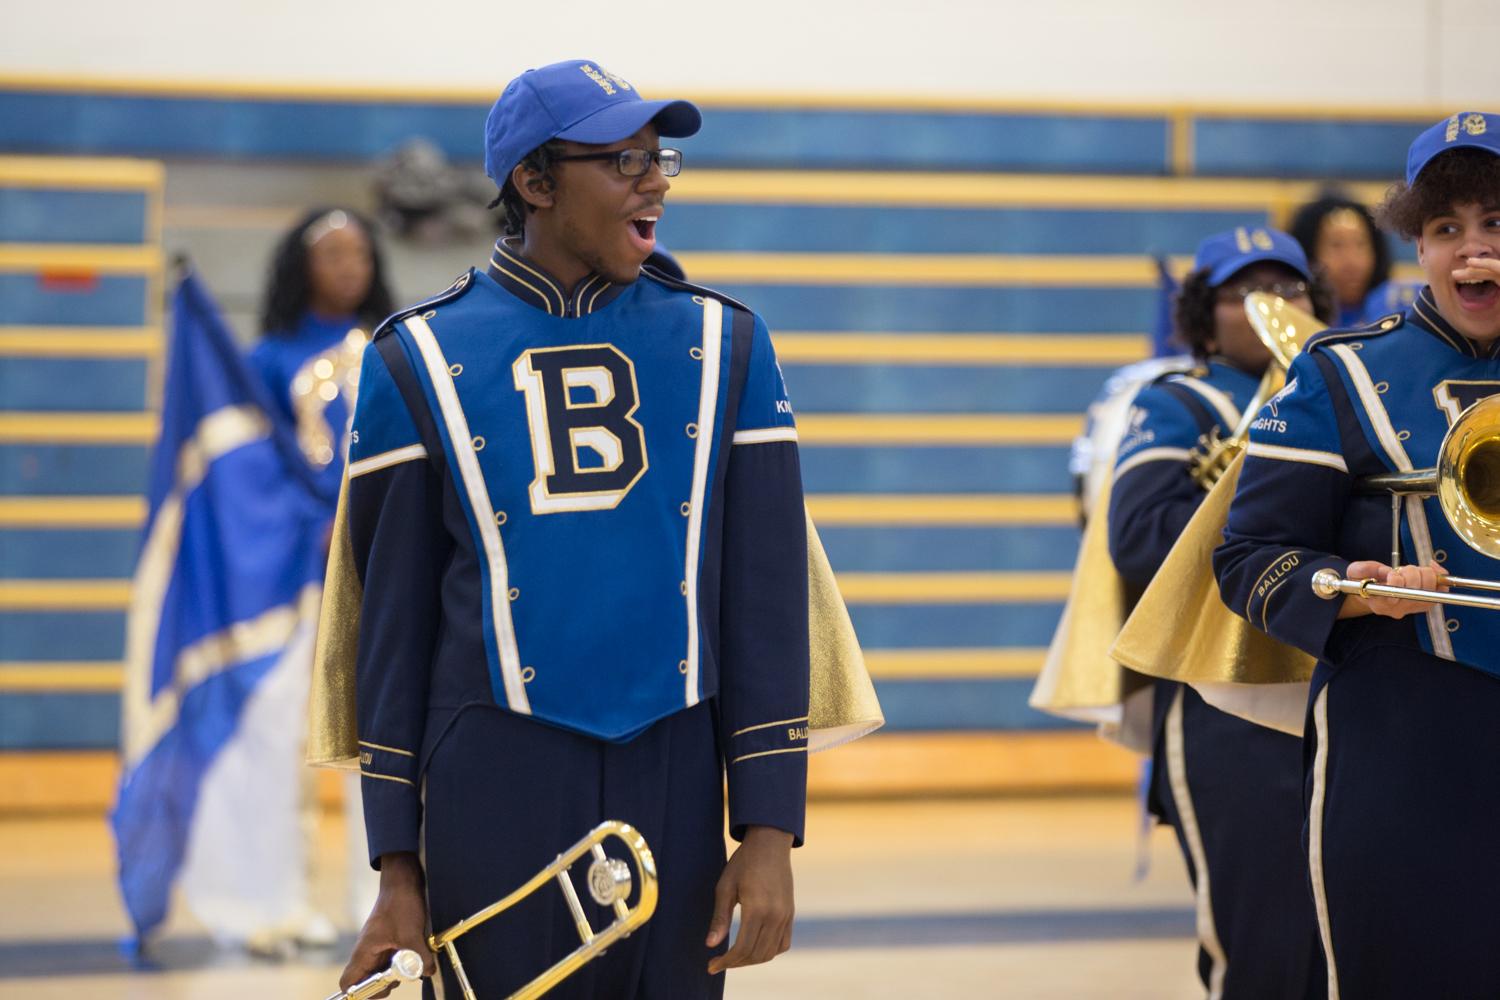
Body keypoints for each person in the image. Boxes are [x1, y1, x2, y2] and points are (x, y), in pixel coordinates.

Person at [334, 60, 809, 1000]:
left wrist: (767, 829)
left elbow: (764, 603)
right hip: (489, 780)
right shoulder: (412, 360)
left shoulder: (729, 345)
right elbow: (388, 637)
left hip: (676, 769)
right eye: (625, 159)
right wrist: (394, 865)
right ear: (536, 182)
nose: (657, 179)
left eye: (658, 156)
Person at [1215, 112, 1500, 997]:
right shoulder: (1336, 373)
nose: (1471, 251)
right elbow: (1248, 556)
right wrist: (1351, 589)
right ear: (1415, 244)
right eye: (1445, 228)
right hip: (1404, 730)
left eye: (1495, 222)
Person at [1107, 228, 1332, 998]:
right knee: (1262, 946)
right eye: (1243, 291)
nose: (1272, 304)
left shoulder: (1341, 389)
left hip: (1339, 688)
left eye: (1290, 287)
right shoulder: (1175, 403)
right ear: (1204, 315)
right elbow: (1138, 541)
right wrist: (1259, 513)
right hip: (1219, 698)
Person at [1289, 191, 1392, 328]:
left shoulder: (1393, 313)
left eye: (1360, 244)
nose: (1351, 262)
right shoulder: (1295, 322)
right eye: (1336, 246)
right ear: (1309, 253)